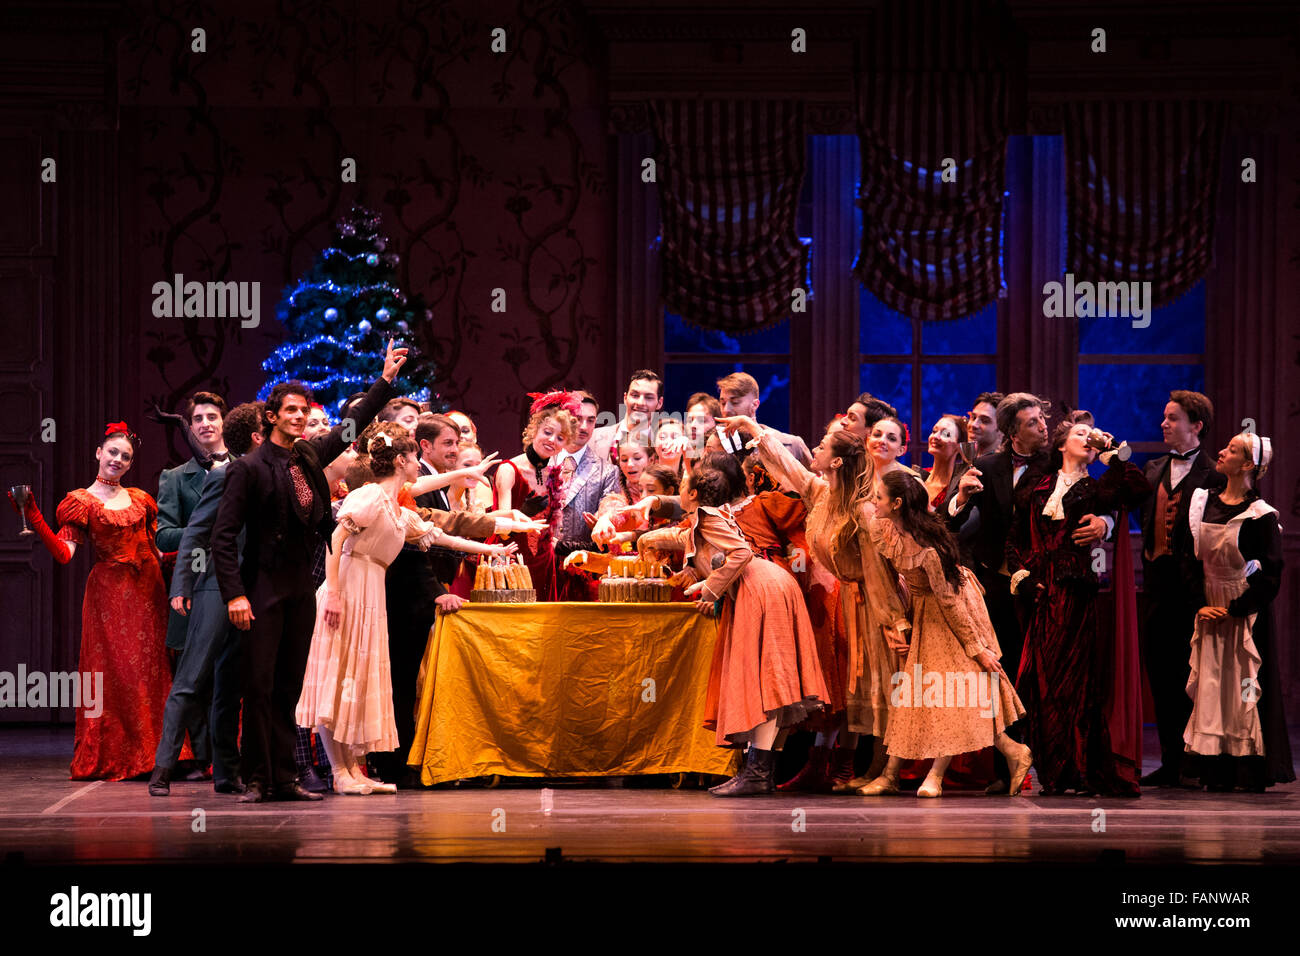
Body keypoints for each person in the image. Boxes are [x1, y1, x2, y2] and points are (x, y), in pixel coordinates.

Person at [210, 339, 407, 803]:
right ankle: (257, 778)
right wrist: (235, 594)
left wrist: (384, 381)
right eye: (291, 411)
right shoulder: (248, 469)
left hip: (301, 586)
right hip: (261, 587)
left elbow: (351, 425)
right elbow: (222, 537)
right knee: (259, 686)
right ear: (271, 417)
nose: (300, 417)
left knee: (289, 686)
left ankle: (284, 778)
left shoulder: (308, 457)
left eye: (304, 410)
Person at [296, 424, 518, 794]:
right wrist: (332, 593)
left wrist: (492, 548)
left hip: (370, 592)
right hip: (348, 587)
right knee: (338, 678)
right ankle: (339, 772)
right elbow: (336, 538)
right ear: (401, 461)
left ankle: (353, 771)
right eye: (415, 458)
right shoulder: (368, 497)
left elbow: (442, 537)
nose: (418, 465)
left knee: (357, 678)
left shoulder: (395, 509)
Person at [722, 415, 912, 791]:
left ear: (837, 461)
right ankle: (861, 769)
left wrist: (895, 622)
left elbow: (878, 572)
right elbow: (787, 466)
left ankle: (886, 772)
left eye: (823, 446)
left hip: (874, 601)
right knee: (861, 690)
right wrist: (754, 429)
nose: (815, 449)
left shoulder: (862, 510)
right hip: (849, 599)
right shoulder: (822, 493)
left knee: (884, 685)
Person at [637, 465, 828, 796]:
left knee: (765, 681)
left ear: (693, 494)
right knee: (765, 680)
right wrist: (643, 538)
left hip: (760, 588)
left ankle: (757, 773)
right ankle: (760, 772)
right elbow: (683, 539)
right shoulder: (707, 519)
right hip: (766, 585)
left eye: (682, 486)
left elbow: (740, 553)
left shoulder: (709, 517)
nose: (679, 492)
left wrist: (710, 588)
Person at [10, 424, 173, 780]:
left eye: (125, 456)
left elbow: (157, 550)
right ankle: (129, 756)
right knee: (119, 675)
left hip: (149, 592)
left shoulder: (141, 499)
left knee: (153, 672)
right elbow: (64, 554)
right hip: (110, 595)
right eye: (112, 452)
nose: (118, 460)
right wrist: (35, 517)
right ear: (99, 453)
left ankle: (161, 756)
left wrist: (196, 551)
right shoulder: (81, 502)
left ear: (130, 464)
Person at [858, 471, 1031, 798]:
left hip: (952, 611)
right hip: (923, 608)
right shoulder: (883, 528)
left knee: (949, 691)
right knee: (920, 691)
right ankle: (893, 774)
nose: (874, 502)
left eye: (879, 497)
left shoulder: (928, 549)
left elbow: (950, 601)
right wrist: (898, 621)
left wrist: (976, 648)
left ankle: (933, 776)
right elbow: (886, 580)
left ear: (896, 504)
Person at [1007, 416, 1150, 795]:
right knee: (1040, 681)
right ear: (1061, 444)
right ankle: (1053, 769)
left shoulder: (1094, 489)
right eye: (1080, 433)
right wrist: (1022, 576)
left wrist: (1111, 450)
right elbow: (1015, 536)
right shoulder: (1037, 485)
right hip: (1040, 592)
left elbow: (1138, 488)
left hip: (1075, 591)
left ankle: (1081, 767)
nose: (1088, 438)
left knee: (1076, 681)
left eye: (1091, 434)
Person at [148, 402, 266, 796]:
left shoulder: (268, 472)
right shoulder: (223, 475)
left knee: (232, 684)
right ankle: (162, 769)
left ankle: (227, 773)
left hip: (254, 588)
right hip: (216, 584)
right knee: (191, 677)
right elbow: (195, 531)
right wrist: (182, 586)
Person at [1183, 432, 1292, 792]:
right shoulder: (1204, 502)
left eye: (1231, 450)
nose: (1221, 452)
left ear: (1247, 465)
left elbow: (1271, 574)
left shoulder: (1261, 515)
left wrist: (1236, 609)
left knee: (1244, 686)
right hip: (1209, 607)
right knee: (1213, 686)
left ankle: (1248, 768)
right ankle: (1215, 769)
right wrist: (1200, 603)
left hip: (1243, 613)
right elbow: (1190, 559)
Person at [1138, 390, 1226, 787]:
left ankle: (1200, 762)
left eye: (1172, 418)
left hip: (1195, 593)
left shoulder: (1214, 474)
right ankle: (1171, 761)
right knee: (1161, 675)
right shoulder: (1153, 468)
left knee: (1196, 678)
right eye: (1164, 416)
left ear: (1196, 426)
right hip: (1157, 589)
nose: (1164, 423)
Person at [154, 390, 229, 778]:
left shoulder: (242, 467)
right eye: (198, 418)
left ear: (224, 422)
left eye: (212, 417)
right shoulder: (175, 477)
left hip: (237, 582)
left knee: (232, 673)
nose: (205, 424)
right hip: (196, 579)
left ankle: (230, 760)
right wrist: (205, 531)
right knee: (193, 676)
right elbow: (164, 535)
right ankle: (202, 758)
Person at [491, 391, 581, 600]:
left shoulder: (555, 474)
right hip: (509, 557)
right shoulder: (509, 469)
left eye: (560, 438)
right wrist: (521, 513)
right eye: (547, 432)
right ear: (534, 430)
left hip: (543, 562)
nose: (552, 440)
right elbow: (502, 531)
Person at [716, 372, 812, 466]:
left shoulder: (791, 444)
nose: (726, 410)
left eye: (735, 402)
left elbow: (816, 476)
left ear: (755, 405)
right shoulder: (713, 443)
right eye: (723, 403)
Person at [588, 370, 664, 465]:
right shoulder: (593, 438)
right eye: (635, 395)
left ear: (659, 403)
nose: (640, 403)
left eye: (649, 397)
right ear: (625, 398)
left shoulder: (662, 444)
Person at [922, 414, 969, 509]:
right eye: (934, 431)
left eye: (946, 434)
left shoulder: (959, 487)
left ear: (959, 446)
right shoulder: (919, 476)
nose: (936, 436)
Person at [683, 392, 723, 473]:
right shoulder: (680, 454)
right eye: (690, 420)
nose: (693, 425)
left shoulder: (723, 461)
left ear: (717, 424)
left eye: (701, 420)